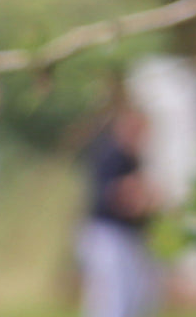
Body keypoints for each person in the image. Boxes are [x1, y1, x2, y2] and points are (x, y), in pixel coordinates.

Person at [77, 101, 163, 317]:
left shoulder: (131, 158)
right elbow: (114, 196)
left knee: (134, 297)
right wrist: (142, 197)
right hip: (106, 234)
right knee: (110, 301)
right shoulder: (112, 154)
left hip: (125, 236)